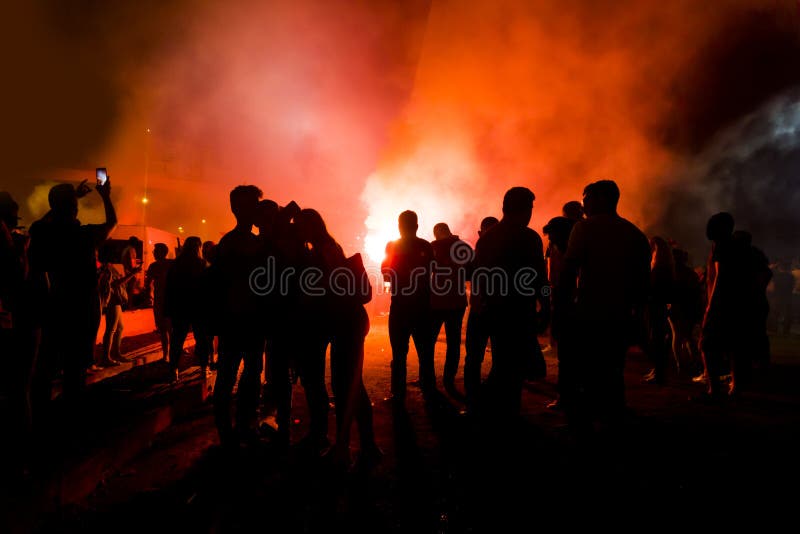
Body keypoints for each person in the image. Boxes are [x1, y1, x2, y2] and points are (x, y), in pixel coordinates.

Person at [557, 180, 650, 433]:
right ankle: (613, 421)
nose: (583, 203)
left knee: (585, 373)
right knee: (613, 370)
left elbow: (569, 271)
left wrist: (559, 307)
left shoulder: (584, 229)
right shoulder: (635, 234)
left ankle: (585, 429)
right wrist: (637, 316)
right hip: (620, 316)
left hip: (589, 314)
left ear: (600, 199)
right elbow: (643, 283)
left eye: (586, 197)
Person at [295, 209, 382, 470]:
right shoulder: (330, 246)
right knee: (350, 384)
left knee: (347, 386)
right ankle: (366, 445)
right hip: (348, 322)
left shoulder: (324, 250)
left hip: (344, 323)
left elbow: (333, 286)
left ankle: (351, 447)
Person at [28, 177, 117, 407]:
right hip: (81, 312)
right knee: (74, 372)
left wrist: (67, 201)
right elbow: (112, 223)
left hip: (52, 308)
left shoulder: (42, 232)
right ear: (75, 209)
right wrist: (105, 196)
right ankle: (71, 424)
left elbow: (39, 225)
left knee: (45, 369)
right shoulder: (83, 236)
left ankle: (38, 421)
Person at [472, 187, 549, 419]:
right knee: (512, 369)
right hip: (520, 313)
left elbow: (480, 279)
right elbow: (540, 278)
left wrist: (481, 308)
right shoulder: (529, 238)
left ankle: (497, 412)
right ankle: (504, 412)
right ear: (525, 209)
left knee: (504, 363)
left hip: (495, 313)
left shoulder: (487, 239)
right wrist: (545, 306)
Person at [211, 185, 265, 447]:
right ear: (236, 208)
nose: (255, 209)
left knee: (252, 374)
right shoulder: (232, 244)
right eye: (251, 204)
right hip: (235, 320)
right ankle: (228, 431)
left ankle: (244, 425)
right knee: (229, 376)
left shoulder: (252, 242)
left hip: (251, 321)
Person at [699, 214, 756, 397]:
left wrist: (711, 306)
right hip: (737, 305)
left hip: (721, 304)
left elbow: (720, 277)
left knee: (707, 345)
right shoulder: (736, 246)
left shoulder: (721, 245)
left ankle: (714, 389)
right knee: (733, 346)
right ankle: (735, 387)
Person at [382, 210, 435, 401]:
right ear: (417, 226)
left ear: (399, 226)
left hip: (400, 306)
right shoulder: (426, 246)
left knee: (399, 353)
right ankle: (429, 390)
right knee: (426, 352)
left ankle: (398, 393)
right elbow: (432, 270)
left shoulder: (392, 246)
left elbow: (386, 272)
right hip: (422, 306)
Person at [430, 222, 471, 395]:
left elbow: (425, 271)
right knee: (453, 342)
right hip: (456, 300)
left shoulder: (433, 247)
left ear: (438, 233)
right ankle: (449, 378)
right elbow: (471, 271)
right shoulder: (462, 247)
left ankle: (428, 377)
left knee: (429, 341)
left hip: (437, 301)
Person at [542, 215, 577, 410]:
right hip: (562, 306)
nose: (550, 240)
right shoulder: (557, 250)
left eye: (552, 235)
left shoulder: (574, 254)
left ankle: (568, 396)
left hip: (572, 310)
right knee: (566, 355)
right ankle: (568, 395)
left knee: (570, 356)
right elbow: (550, 281)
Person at [464, 216, 498, 414]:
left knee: (479, 358)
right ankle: (476, 400)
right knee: (476, 358)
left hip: (489, 312)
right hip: (485, 311)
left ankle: (476, 400)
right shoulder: (478, 254)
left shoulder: (479, 253)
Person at [165, 237, 209, 382]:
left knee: (177, 339)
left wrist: (168, 308)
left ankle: (173, 370)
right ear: (198, 247)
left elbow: (169, 288)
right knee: (202, 339)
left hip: (180, 307)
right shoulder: (202, 264)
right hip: (198, 307)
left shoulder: (176, 264)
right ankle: (204, 368)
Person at [97, 243, 141, 367]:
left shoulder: (110, 266)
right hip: (113, 301)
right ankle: (106, 357)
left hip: (115, 301)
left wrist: (131, 274)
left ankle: (115, 353)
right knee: (111, 329)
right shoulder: (106, 267)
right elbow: (115, 284)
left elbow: (119, 283)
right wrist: (132, 274)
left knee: (119, 328)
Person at [643, 237, 675, 384]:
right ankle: (657, 370)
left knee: (657, 339)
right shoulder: (662, 266)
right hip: (656, 306)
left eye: (652, 246)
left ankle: (659, 374)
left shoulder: (661, 268)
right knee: (655, 339)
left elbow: (657, 288)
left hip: (657, 306)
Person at [669, 248, 703, 377]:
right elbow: (696, 292)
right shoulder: (690, 273)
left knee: (677, 336)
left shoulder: (671, 272)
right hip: (687, 308)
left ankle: (681, 365)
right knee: (688, 337)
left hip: (676, 308)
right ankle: (695, 364)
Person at [144, 243, 173, 361]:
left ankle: (167, 354)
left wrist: (149, 295)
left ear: (161, 252)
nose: (153, 253)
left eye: (155, 251)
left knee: (165, 329)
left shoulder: (154, 266)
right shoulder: (171, 264)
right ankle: (170, 353)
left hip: (163, 301)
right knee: (168, 329)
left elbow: (148, 284)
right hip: (168, 300)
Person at [771, 258, 796, 336]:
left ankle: (774, 330)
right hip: (788, 298)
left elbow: (772, 288)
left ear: (779, 267)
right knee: (787, 315)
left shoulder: (775, 276)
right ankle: (786, 331)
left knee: (775, 314)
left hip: (777, 297)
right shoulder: (791, 277)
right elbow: (793, 286)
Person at [120, 236, 142, 309]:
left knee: (128, 290)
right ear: (133, 242)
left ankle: (127, 305)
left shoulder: (126, 249)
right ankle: (129, 305)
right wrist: (135, 271)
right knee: (130, 290)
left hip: (127, 271)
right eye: (136, 242)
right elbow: (131, 261)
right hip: (130, 273)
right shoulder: (131, 249)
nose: (137, 244)